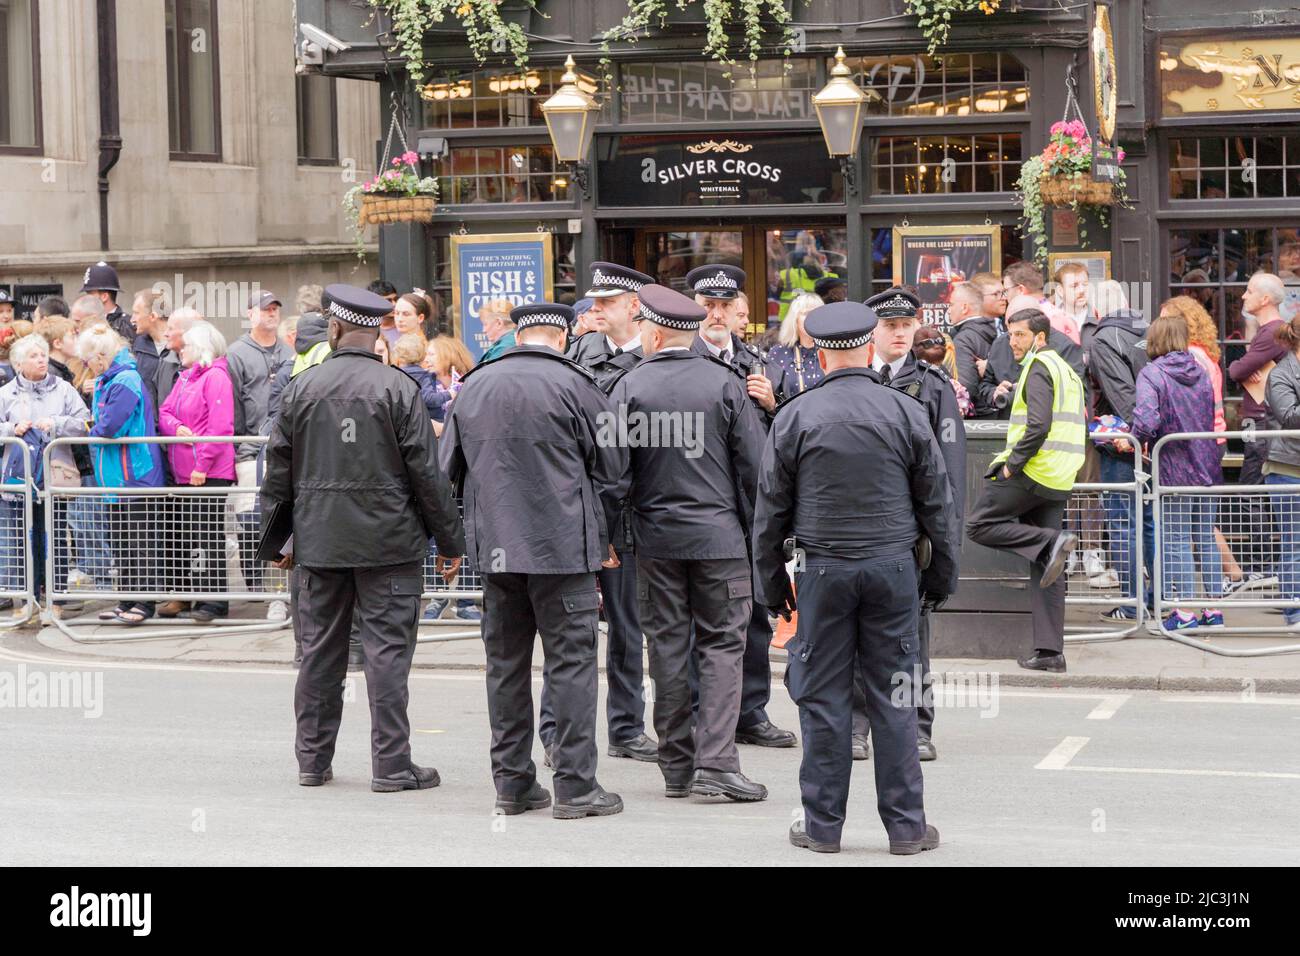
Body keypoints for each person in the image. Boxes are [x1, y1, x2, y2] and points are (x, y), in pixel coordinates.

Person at [753, 299, 956, 855]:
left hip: (824, 570)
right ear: (868, 347)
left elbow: (769, 512)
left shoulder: (795, 414)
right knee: (896, 695)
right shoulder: (905, 411)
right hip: (892, 568)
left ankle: (822, 828)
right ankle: (907, 829)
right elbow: (938, 504)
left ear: (820, 353)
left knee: (822, 698)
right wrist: (939, 578)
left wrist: (773, 589)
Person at [263, 284, 465, 793]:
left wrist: (279, 541)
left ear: (333, 329)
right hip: (389, 544)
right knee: (388, 655)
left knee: (319, 655)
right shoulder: (399, 389)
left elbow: (277, 475)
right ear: (378, 330)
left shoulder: (301, 388)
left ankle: (312, 761)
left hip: (320, 543)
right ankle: (391, 765)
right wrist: (452, 542)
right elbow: (429, 475)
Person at [440, 301, 626, 819]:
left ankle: (513, 784)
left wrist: (455, 542)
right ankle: (575, 786)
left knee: (505, 666)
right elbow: (614, 464)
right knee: (571, 667)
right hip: (564, 549)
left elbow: (446, 470)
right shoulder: (579, 385)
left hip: (496, 550)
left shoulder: (475, 384)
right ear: (562, 337)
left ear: (519, 335)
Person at [608, 283, 769, 801]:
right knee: (723, 646)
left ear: (652, 334)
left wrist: (609, 537)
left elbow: (611, 476)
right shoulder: (725, 385)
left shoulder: (628, 389)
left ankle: (677, 765)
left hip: (655, 544)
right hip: (720, 540)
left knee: (668, 647)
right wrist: (762, 538)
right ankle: (717, 764)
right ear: (689, 332)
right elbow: (757, 470)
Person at [543, 262, 658, 765]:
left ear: (634, 306)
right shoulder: (581, 353)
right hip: (579, 510)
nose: (594, 311)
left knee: (628, 628)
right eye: (592, 303)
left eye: (605, 303)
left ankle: (627, 727)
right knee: (568, 633)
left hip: (630, 516)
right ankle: (557, 735)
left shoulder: (657, 358)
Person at [851, 288, 966, 762]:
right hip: (859, 523)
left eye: (906, 325)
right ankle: (857, 725)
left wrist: (944, 539)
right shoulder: (855, 381)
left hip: (911, 530)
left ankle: (916, 726)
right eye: (890, 326)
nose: (900, 334)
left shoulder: (934, 386)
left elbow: (951, 468)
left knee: (910, 637)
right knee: (853, 634)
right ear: (873, 331)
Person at [686, 263, 796, 748]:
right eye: (706, 306)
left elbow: (789, 435)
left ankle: (750, 713)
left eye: (723, 306)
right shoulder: (680, 359)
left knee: (751, 615)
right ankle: (698, 717)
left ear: (737, 312)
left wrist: (774, 404)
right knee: (694, 621)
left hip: (747, 510)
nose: (715, 314)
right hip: (695, 505)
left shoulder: (759, 363)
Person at [966, 309, 1086, 673]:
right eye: (1009, 334)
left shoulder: (1039, 367)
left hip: (1032, 471)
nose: (1012, 341)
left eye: (1019, 335)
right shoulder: (1066, 370)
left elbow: (1037, 425)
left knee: (977, 525)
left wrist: (1010, 465)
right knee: (1046, 566)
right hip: (1058, 477)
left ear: (1040, 336)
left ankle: (1049, 544)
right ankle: (1050, 652)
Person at [1130, 314, 1222, 631]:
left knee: (1176, 539)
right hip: (1207, 464)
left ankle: (1183, 612)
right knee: (1205, 538)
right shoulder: (1201, 370)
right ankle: (1214, 609)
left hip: (1173, 466)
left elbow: (1146, 419)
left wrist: (1135, 440)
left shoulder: (1151, 373)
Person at [78, 323, 166, 625]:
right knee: (122, 541)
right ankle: (127, 600)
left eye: (87, 359)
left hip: (135, 474)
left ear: (100, 355)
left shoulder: (124, 379)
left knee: (139, 541)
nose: (86, 366)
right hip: (118, 477)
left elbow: (109, 426)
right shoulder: (110, 378)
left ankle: (143, 603)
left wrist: (89, 428)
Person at [0, 334, 91, 614]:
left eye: (43, 354)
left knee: (53, 536)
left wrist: (56, 423)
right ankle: (27, 600)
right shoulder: (5, 393)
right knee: (19, 538)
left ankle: (55, 598)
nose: (42, 360)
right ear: (18, 363)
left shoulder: (63, 388)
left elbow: (84, 421)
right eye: (34, 356)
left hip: (55, 477)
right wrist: (11, 429)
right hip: (17, 478)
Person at [158, 321, 236, 623]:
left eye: (187, 345)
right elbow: (164, 412)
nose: (180, 349)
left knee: (208, 536)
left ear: (201, 348)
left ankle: (214, 601)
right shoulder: (186, 378)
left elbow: (221, 428)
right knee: (190, 535)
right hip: (185, 469)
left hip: (207, 470)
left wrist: (202, 465)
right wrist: (176, 427)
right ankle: (195, 595)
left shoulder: (216, 377)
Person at [227, 289, 293, 621]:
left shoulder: (289, 351)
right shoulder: (237, 353)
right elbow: (234, 402)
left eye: (275, 308)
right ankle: (256, 584)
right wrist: (238, 444)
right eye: (265, 308)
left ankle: (277, 593)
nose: (271, 313)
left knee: (277, 519)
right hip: (249, 447)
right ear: (250, 313)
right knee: (249, 519)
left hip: (280, 448)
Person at [1087, 281, 1150, 613]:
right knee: (1152, 520)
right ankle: (1156, 599)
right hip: (1158, 443)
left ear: (1097, 311)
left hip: (1126, 445)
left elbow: (1123, 395)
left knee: (1124, 522)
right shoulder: (1150, 331)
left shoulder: (1103, 339)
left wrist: (1140, 436)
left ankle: (1132, 603)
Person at [1229, 272, 1290, 587]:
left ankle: (1265, 564)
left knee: (1253, 491)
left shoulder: (1271, 334)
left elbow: (1236, 368)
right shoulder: (1274, 332)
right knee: (1263, 491)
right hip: (1266, 420)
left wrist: (1242, 369)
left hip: (1262, 421)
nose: (1243, 296)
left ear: (1265, 299)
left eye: (1249, 291)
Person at [976, 293, 1085, 420]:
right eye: (1009, 329)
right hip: (1009, 429)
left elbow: (1079, 395)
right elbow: (986, 384)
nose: (1012, 341)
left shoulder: (1066, 347)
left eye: (1019, 333)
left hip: (1052, 430)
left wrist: (1028, 391)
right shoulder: (1001, 344)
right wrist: (995, 393)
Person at [1264, 313, 1300, 629]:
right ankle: (1294, 610)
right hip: (1288, 468)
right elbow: (1289, 417)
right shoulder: (1281, 374)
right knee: (1295, 542)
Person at [765, 292, 825, 404]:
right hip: (791, 419)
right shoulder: (778, 353)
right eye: (806, 313)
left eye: (816, 313)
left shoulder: (831, 351)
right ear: (795, 320)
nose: (812, 317)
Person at [1003, 260, 1080, 346]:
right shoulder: (1065, 317)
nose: (1004, 297)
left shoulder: (1022, 319)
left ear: (1021, 289)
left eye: (1006, 291)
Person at [949, 281, 997, 407]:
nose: (948, 310)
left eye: (951, 304)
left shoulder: (963, 339)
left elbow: (964, 390)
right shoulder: (997, 331)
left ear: (964, 308)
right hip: (998, 412)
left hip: (976, 419)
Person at [128, 289, 169, 418]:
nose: (132, 319)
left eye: (136, 313)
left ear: (153, 316)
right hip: (148, 428)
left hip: (178, 432)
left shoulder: (183, 346)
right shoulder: (138, 345)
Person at [156, 307, 200, 410]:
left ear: (189, 333)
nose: (165, 334)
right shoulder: (165, 360)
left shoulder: (210, 368)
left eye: (170, 328)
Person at [79, 261, 133, 340]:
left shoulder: (126, 325)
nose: (87, 298)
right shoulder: (85, 322)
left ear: (104, 296)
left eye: (90, 293)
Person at [477, 298, 517, 364]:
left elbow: (490, 373)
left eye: (485, 324)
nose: (484, 330)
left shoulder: (503, 348)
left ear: (499, 323)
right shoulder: (512, 342)